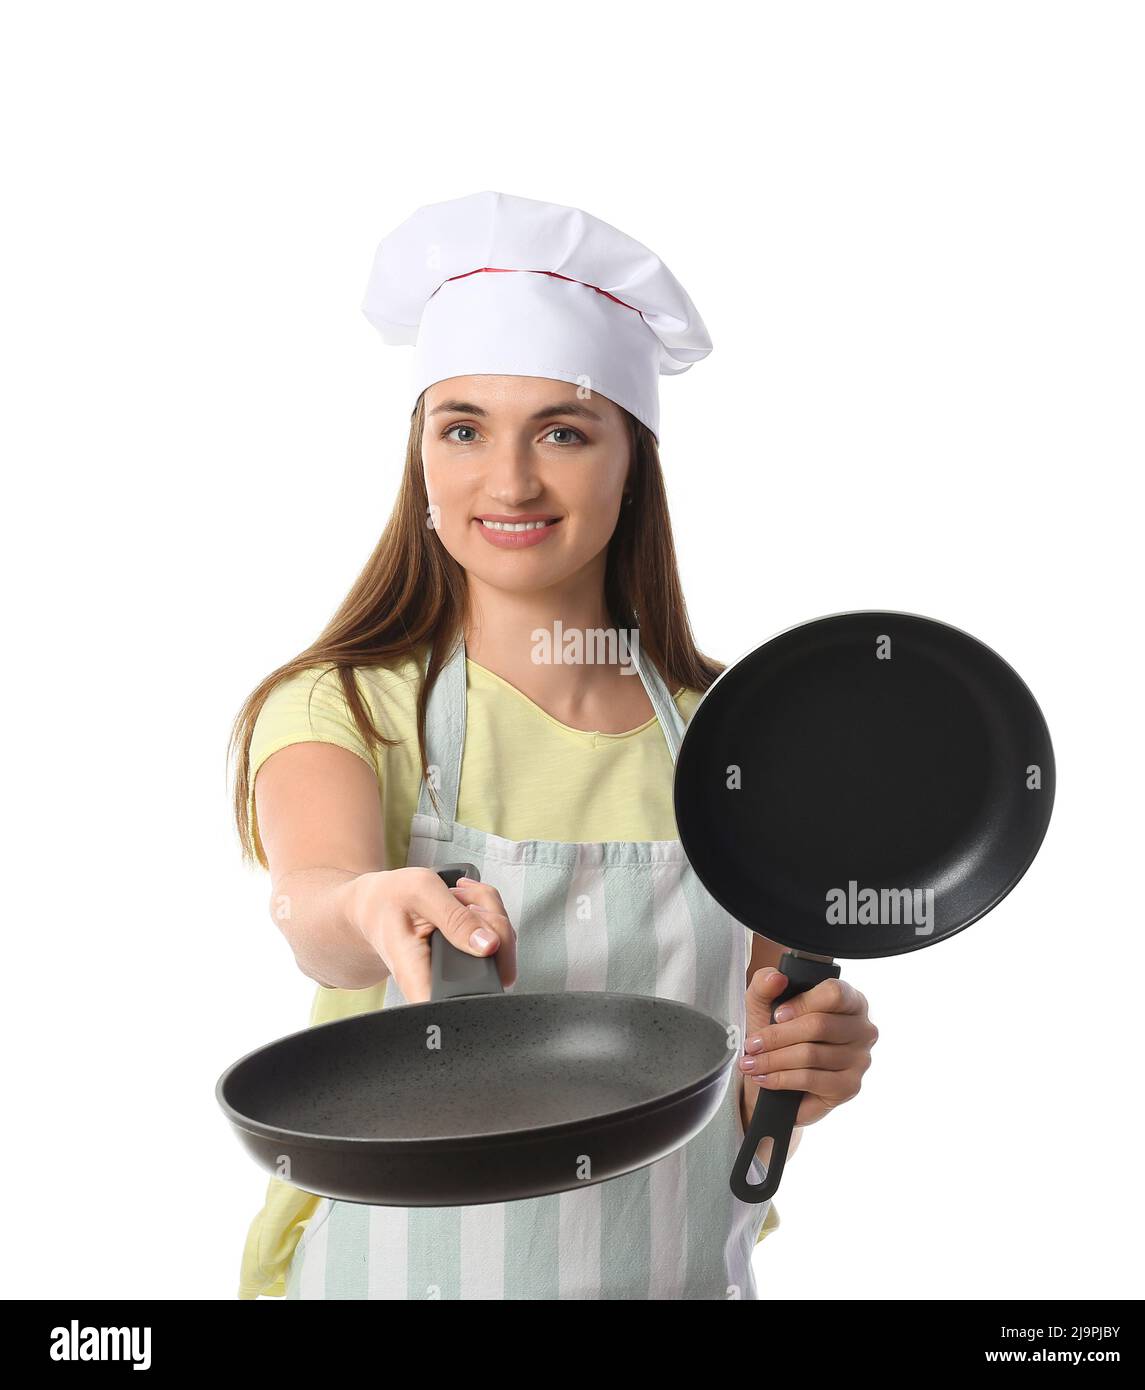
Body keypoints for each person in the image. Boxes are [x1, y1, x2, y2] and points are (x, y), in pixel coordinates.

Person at [226, 191, 879, 1300]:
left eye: (565, 432)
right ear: (421, 455)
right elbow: (320, 911)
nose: (511, 481)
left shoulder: (740, 739)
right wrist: (369, 906)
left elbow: (752, 1082)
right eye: (463, 428)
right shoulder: (345, 705)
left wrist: (805, 1065)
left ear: (634, 459)